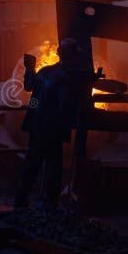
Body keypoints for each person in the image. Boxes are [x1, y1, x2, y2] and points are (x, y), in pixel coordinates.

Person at [16, 38, 88, 209]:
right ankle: (50, 205)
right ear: (73, 57)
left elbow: (28, 86)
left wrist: (30, 68)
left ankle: (20, 200)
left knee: (31, 164)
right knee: (54, 168)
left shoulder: (45, 71)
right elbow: (64, 105)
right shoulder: (65, 79)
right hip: (51, 129)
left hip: (36, 126)